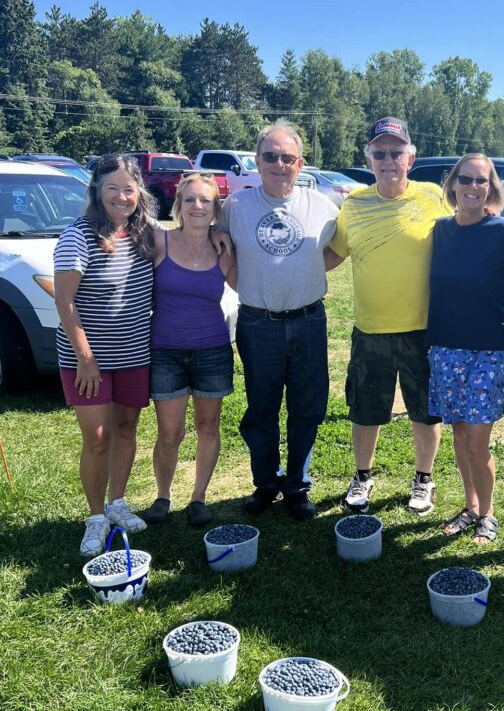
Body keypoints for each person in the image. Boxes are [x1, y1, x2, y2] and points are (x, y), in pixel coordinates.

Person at [325, 117, 452, 515]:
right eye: (379, 153)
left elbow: (466, 233)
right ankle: (362, 477)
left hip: (424, 329)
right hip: (370, 328)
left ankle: (423, 480)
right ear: (369, 159)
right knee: (365, 408)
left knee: (425, 409)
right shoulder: (355, 204)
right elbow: (332, 255)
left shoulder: (433, 197)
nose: (388, 160)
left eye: (396, 152)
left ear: (410, 158)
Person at [216, 120, 339, 520]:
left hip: (308, 320)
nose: (279, 164)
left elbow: (341, 249)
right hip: (258, 323)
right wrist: (248, 287)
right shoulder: (236, 206)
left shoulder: (322, 205)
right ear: (257, 160)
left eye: (287, 158)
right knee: (261, 409)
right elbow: (222, 249)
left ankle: (297, 487)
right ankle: (266, 483)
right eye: (270, 156)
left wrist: (311, 274)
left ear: (300, 164)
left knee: (307, 408)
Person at [54, 154, 155, 556]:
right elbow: (65, 301)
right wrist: (85, 357)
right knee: (97, 439)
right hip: (88, 358)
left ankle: (118, 502)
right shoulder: (78, 235)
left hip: (134, 353)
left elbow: (187, 239)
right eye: (112, 187)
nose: (121, 196)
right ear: (96, 190)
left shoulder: (145, 232)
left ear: (138, 194)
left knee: (126, 428)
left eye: (129, 189)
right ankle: (96, 517)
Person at [427, 154, 504, 544]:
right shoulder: (439, 231)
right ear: (453, 185)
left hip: (491, 350)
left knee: (478, 441)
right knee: (460, 435)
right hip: (446, 345)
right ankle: (470, 507)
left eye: (482, 181)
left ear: (491, 188)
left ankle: (489, 513)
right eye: (466, 179)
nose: (473, 187)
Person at [141, 173, 237, 528]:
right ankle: (162, 495)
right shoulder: (159, 241)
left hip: (212, 349)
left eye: (206, 201)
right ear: (178, 205)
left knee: (208, 426)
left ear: (215, 209)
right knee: (170, 433)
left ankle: (198, 497)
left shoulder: (222, 247)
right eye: (191, 199)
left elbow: (247, 284)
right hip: (165, 350)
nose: (198, 206)